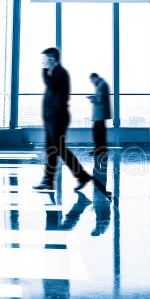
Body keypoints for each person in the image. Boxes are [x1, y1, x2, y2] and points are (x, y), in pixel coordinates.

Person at [33, 47, 93, 192]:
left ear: (52, 58)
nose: (43, 62)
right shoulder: (55, 73)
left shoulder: (60, 73)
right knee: (52, 149)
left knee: (58, 149)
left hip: (57, 118)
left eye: (45, 59)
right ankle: (49, 180)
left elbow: (50, 84)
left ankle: (81, 176)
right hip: (52, 118)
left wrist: (43, 70)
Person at [87, 73, 112, 156]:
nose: (92, 82)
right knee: (100, 133)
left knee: (98, 133)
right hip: (100, 114)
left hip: (100, 114)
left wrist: (92, 99)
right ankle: (101, 150)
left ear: (95, 78)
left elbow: (100, 100)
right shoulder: (102, 84)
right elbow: (101, 98)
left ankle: (99, 150)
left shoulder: (101, 85)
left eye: (92, 80)